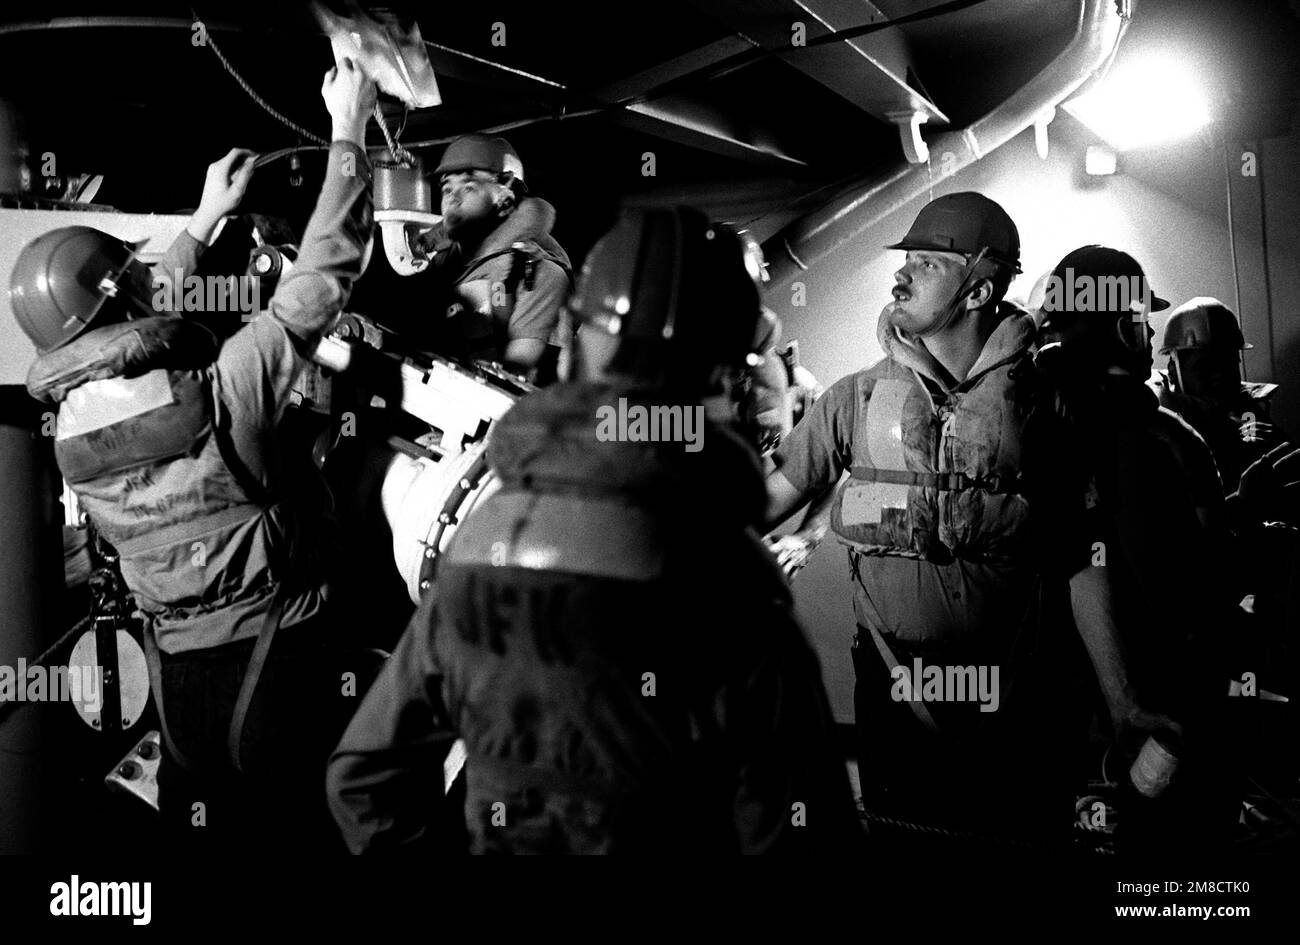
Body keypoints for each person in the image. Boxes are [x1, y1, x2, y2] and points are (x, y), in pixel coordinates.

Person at [326, 206, 863, 854]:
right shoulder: (732, 585)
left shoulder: (485, 540)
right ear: (723, 378)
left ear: (581, 344)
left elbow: (362, 783)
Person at [15, 57, 379, 851]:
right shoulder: (229, 393)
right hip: (282, 670)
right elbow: (321, 279)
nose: (151, 277)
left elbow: (123, 337)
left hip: (179, 697)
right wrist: (349, 132)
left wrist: (206, 220)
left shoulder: (74, 438)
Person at [762, 192, 1085, 841]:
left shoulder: (1046, 405)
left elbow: (1085, 557)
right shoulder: (852, 399)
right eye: (905, 260)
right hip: (891, 686)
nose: (900, 276)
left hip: (1017, 696)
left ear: (977, 288)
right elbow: (756, 505)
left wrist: (1123, 700)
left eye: (929, 262)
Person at [1027, 246, 1240, 850]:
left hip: (1090, 704)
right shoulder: (1155, 435)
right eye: (1142, 320)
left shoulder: (1045, 423)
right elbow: (1091, 565)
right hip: (1151, 703)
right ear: (1124, 325)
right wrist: (1125, 702)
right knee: (1174, 874)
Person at [415, 133, 572, 380]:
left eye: (469, 187)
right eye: (447, 188)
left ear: (505, 196)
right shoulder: (443, 263)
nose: (452, 198)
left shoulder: (537, 270)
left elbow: (518, 376)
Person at [1152, 297, 1290, 497]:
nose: (1220, 377)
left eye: (1228, 365)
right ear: (1174, 369)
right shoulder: (1156, 412)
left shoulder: (1244, 405)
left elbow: (1261, 439)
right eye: (1205, 368)